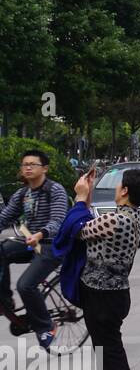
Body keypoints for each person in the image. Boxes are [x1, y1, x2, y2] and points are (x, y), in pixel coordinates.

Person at [70, 165, 140, 370]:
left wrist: (81, 197)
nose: (117, 187)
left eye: (119, 184)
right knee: (102, 350)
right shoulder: (127, 217)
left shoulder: (117, 220)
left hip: (105, 296)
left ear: (125, 191)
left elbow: (78, 229)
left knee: (112, 353)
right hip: (103, 292)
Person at [0, 148, 69, 348]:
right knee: (2, 249)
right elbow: (5, 218)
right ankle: (6, 302)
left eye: (33, 164)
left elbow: (57, 220)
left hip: (51, 245)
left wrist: (40, 233)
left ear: (44, 168)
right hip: (30, 243)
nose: (28, 168)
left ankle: (46, 326)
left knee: (25, 285)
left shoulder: (54, 190)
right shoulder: (23, 193)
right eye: (25, 164)